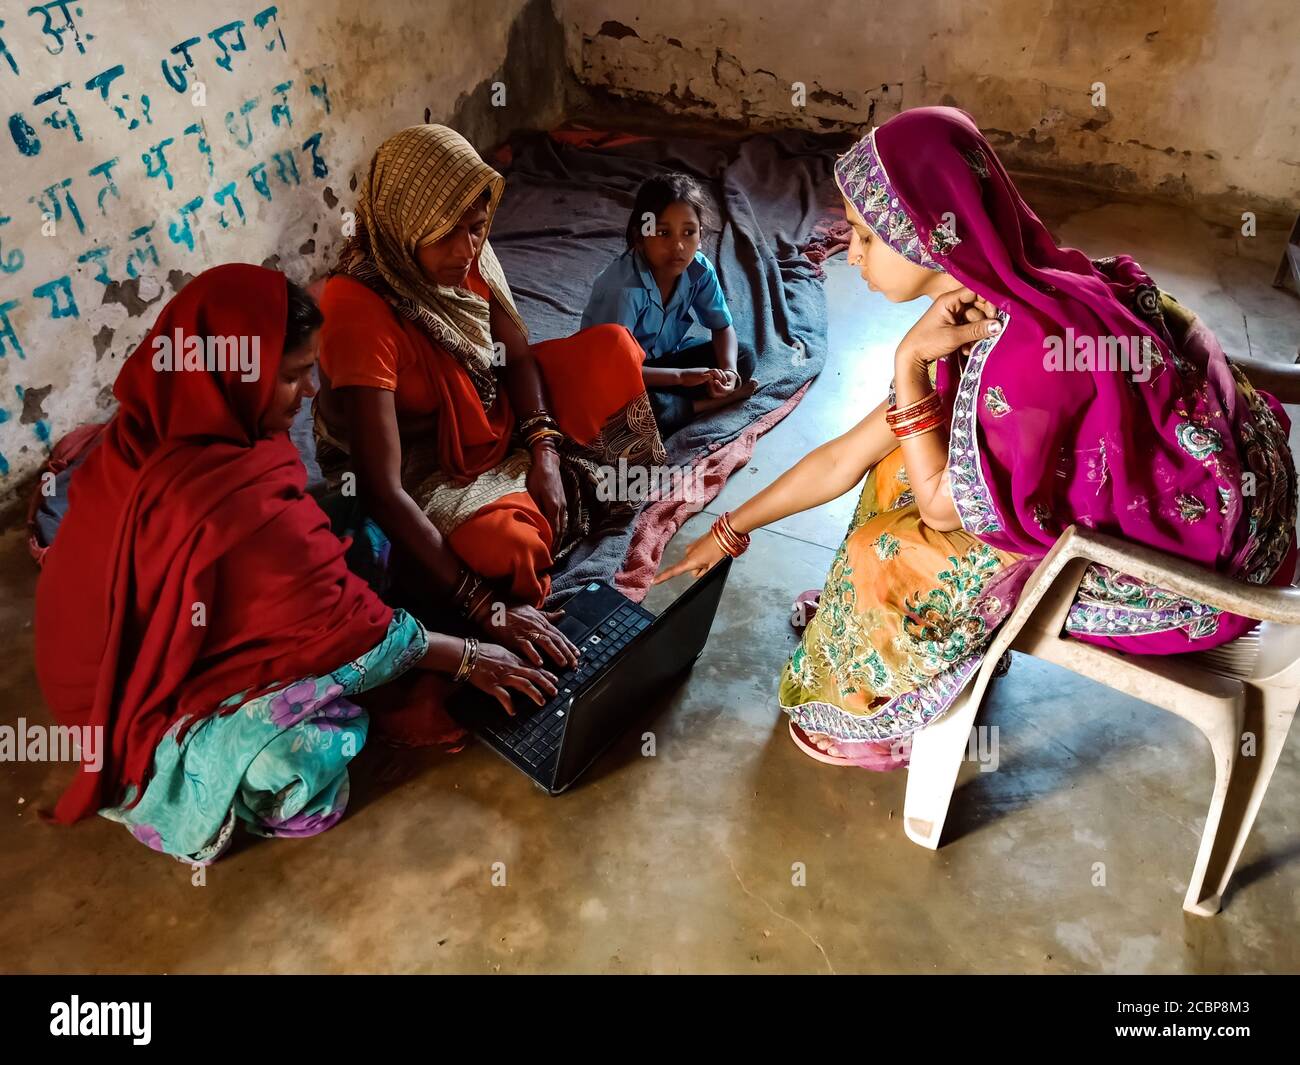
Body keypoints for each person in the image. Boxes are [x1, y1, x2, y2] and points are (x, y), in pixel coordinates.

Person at [656, 106, 1297, 769]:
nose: (850, 254)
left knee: (893, 546)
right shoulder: (997, 290)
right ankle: (898, 626)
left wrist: (908, 365)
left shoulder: (1018, 356)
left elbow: (936, 506)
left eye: (865, 237)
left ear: (925, 238)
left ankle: (883, 704)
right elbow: (850, 450)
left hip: (1196, 569)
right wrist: (729, 528)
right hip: (1224, 488)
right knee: (900, 460)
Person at [34, 264, 560, 861]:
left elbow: (300, 568)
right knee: (302, 755)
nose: (310, 392)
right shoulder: (232, 505)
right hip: (131, 712)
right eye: (291, 377)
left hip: (148, 644)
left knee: (357, 524)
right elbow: (351, 624)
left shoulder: (165, 423)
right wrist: (469, 655)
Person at [315, 125, 665, 665]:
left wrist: (544, 449)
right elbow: (382, 490)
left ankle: (553, 487)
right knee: (511, 549)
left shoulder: (470, 252)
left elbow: (516, 356)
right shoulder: (356, 308)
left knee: (614, 351)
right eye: (447, 233)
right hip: (424, 464)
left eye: (477, 229)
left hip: (495, 415)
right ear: (405, 223)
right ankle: (555, 502)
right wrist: (483, 607)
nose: (466, 249)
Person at [581, 172, 757, 437]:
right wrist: (681, 377)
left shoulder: (699, 270)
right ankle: (704, 405)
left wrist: (728, 372)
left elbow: (722, 328)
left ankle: (695, 402)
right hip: (615, 374)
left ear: (701, 234)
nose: (678, 245)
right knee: (640, 412)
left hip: (664, 362)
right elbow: (617, 370)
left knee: (743, 356)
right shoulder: (623, 289)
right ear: (640, 236)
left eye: (689, 232)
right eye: (663, 233)